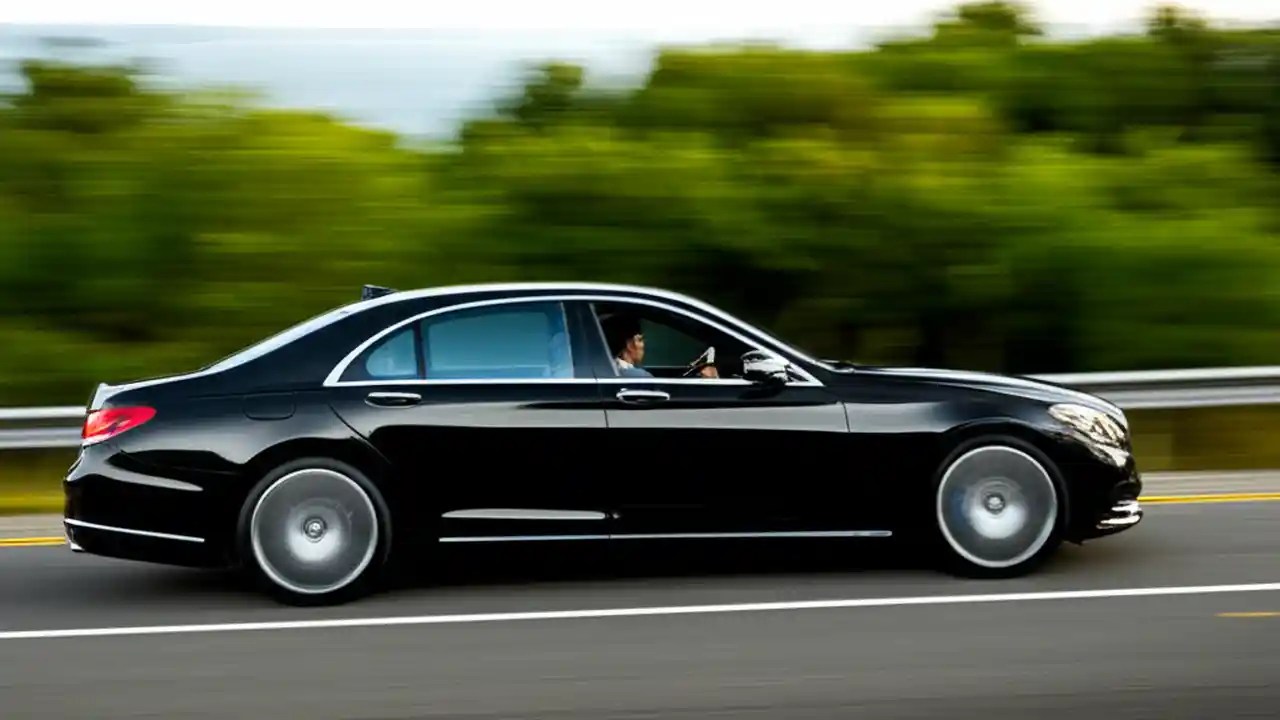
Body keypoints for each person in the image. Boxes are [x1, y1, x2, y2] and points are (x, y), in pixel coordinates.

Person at [601, 313, 717, 378]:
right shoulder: (638, 377)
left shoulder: (609, 370)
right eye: (640, 340)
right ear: (630, 344)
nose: (643, 345)